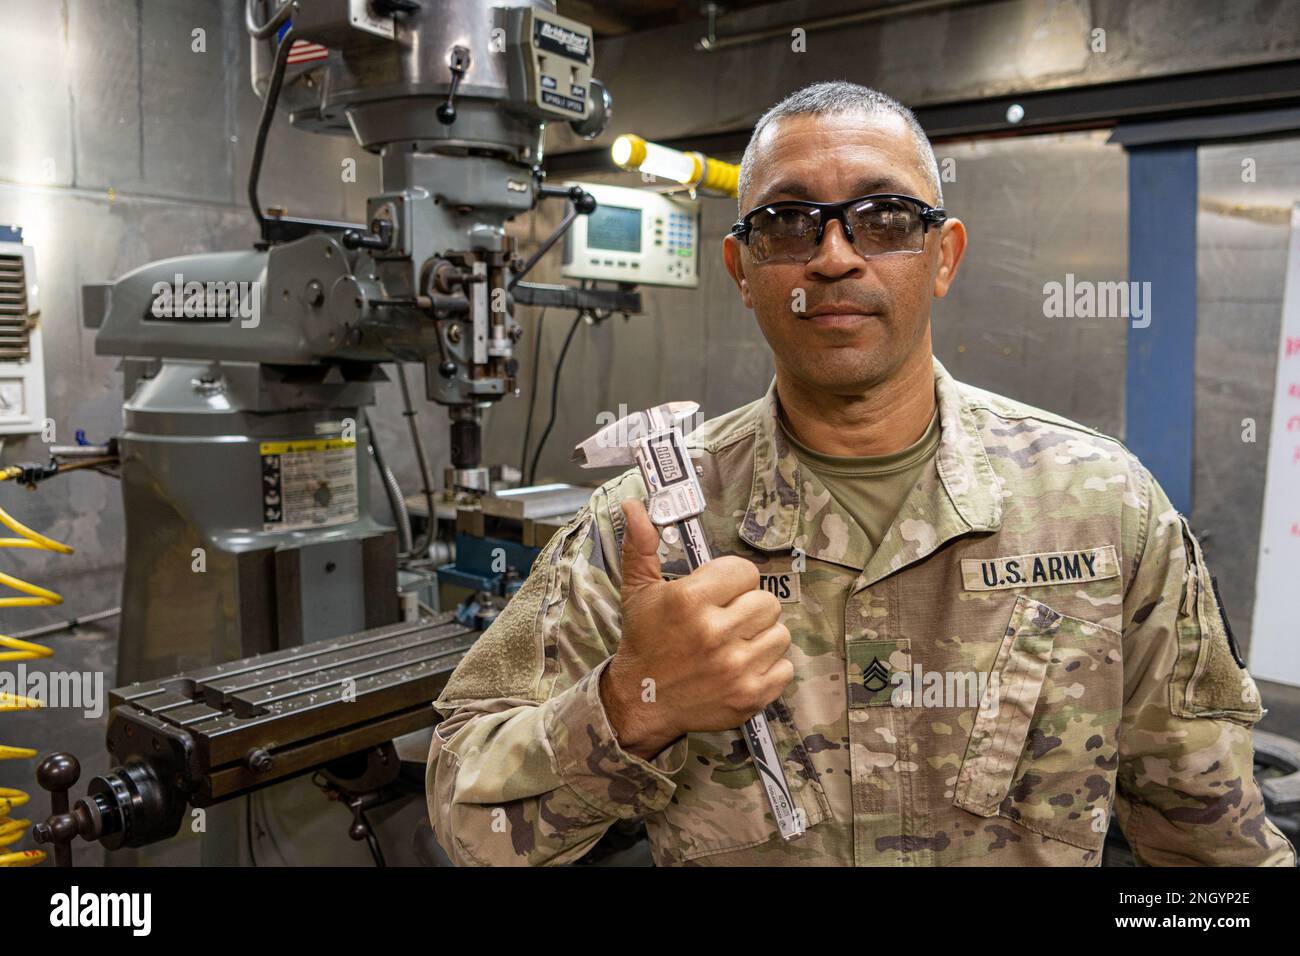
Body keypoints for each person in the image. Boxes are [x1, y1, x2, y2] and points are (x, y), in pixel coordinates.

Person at [426, 80, 1295, 866]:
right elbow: (468, 829)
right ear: (741, 269)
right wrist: (633, 705)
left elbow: (1214, 850)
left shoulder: (1105, 512)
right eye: (786, 223)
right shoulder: (645, 528)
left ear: (944, 256)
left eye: (885, 220)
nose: (835, 257)